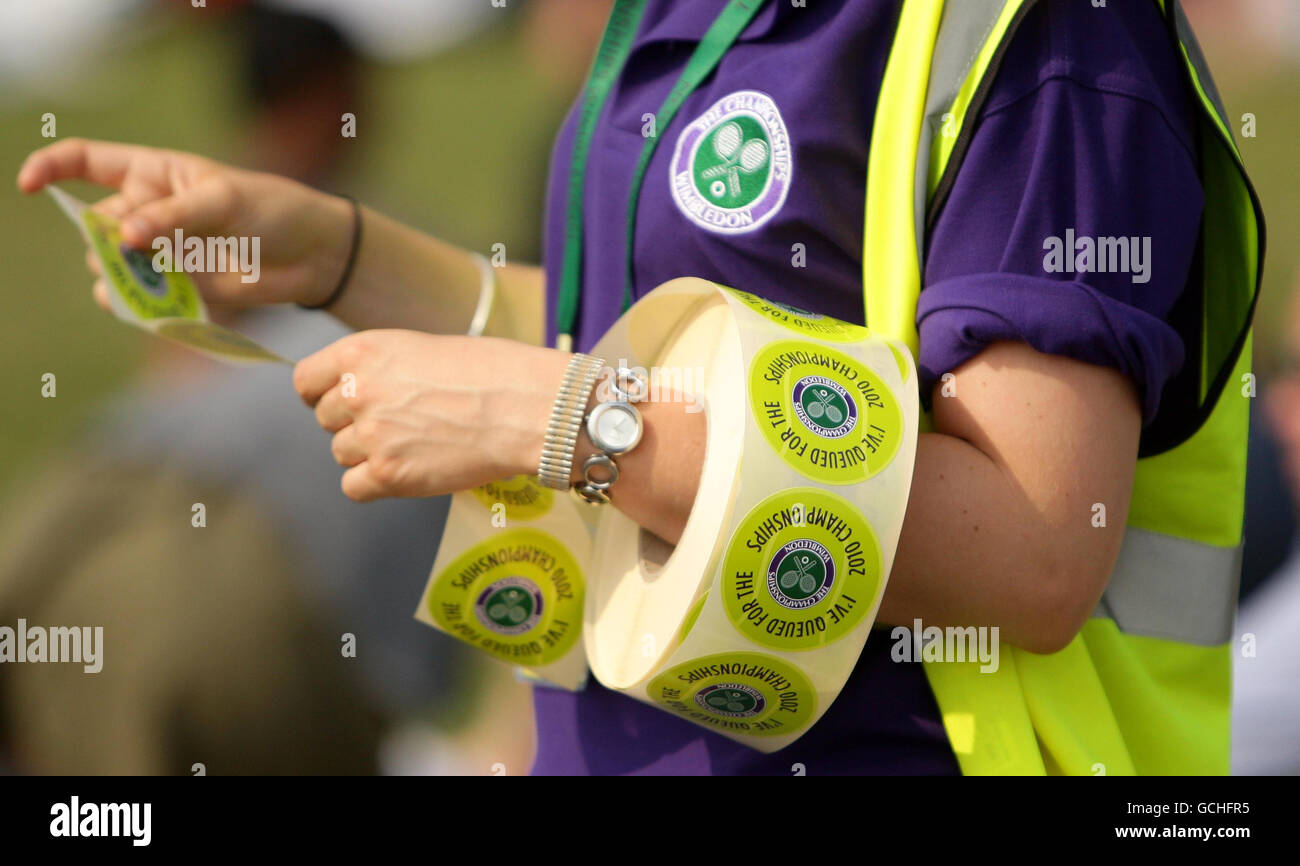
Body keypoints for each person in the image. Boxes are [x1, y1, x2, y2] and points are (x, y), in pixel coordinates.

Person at [16, 0, 1263, 775]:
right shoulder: (668, 14)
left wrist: (552, 423)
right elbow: (618, 349)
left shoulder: (1044, 34)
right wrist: (334, 253)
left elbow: (1037, 550)